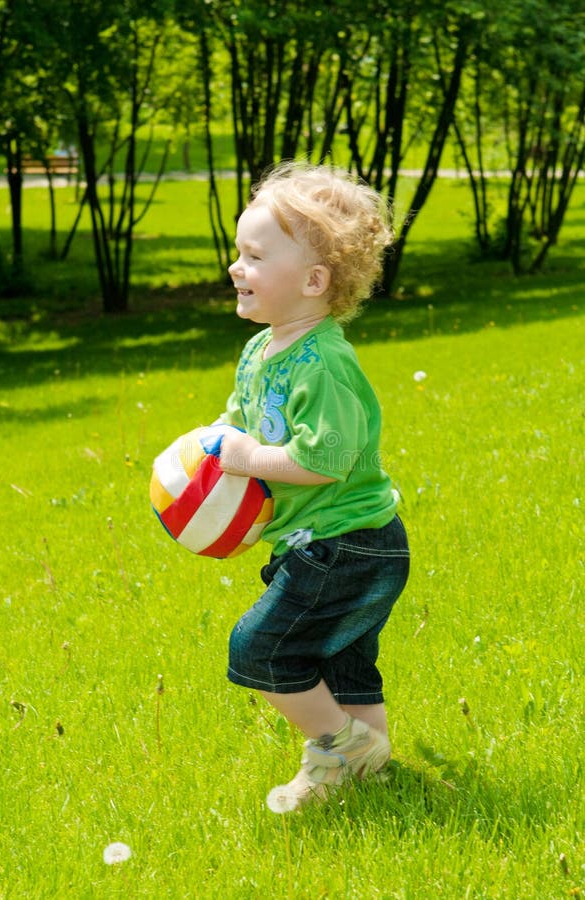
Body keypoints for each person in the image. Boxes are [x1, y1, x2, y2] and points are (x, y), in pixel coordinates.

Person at [217, 161, 410, 813]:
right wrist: (215, 446)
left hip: (348, 543)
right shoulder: (263, 350)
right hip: (326, 541)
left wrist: (249, 458)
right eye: (236, 252)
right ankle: (362, 774)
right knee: (344, 656)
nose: (234, 267)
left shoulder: (325, 362)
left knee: (261, 647)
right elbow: (239, 421)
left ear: (313, 281)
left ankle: (336, 744)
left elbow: (322, 459)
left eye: (252, 256)